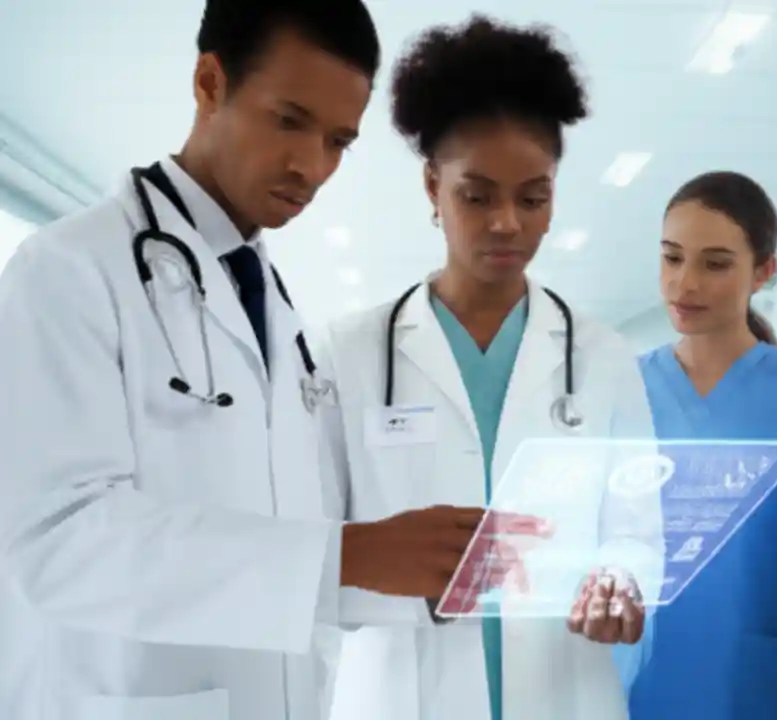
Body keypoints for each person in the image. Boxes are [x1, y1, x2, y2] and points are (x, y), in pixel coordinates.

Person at [0, 3, 497, 719]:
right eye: (289, 120)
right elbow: (56, 539)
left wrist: (420, 575)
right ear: (209, 82)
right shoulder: (69, 270)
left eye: (338, 141)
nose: (312, 167)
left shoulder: (273, 308)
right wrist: (344, 557)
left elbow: (288, 545)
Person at [316, 15, 662, 720]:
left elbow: (635, 527)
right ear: (431, 188)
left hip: (567, 689)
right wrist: (404, 574)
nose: (507, 221)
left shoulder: (601, 356)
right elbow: (315, 553)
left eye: (533, 196)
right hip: (400, 692)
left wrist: (621, 579)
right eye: (477, 195)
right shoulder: (347, 354)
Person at [621, 171, 777, 720]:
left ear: (765, 270)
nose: (685, 284)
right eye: (672, 258)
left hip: (755, 688)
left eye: (716, 263)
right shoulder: (623, 388)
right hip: (636, 687)